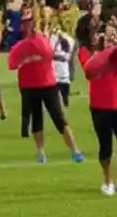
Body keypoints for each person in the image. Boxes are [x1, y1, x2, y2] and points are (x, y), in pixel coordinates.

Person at [7, 19, 85, 163]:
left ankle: (75, 150)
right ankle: (41, 152)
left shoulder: (44, 40)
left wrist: (31, 56)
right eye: (26, 24)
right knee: (37, 120)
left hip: (47, 84)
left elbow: (48, 54)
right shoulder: (20, 46)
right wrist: (26, 60)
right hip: (30, 87)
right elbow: (12, 64)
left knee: (59, 118)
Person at [79, 26, 117, 196]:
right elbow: (89, 70)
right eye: (108, 38)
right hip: (100, 106)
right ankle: (107, 180)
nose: (111, 41)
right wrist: (107, 50)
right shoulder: (94, 56)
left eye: (113, 37)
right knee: (106, 147)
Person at [51, 26, 76, 106]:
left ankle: (65, 103)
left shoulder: (67, 39)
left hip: (62, 68)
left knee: (63, 88)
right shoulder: (53, 38)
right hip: (56, 68)